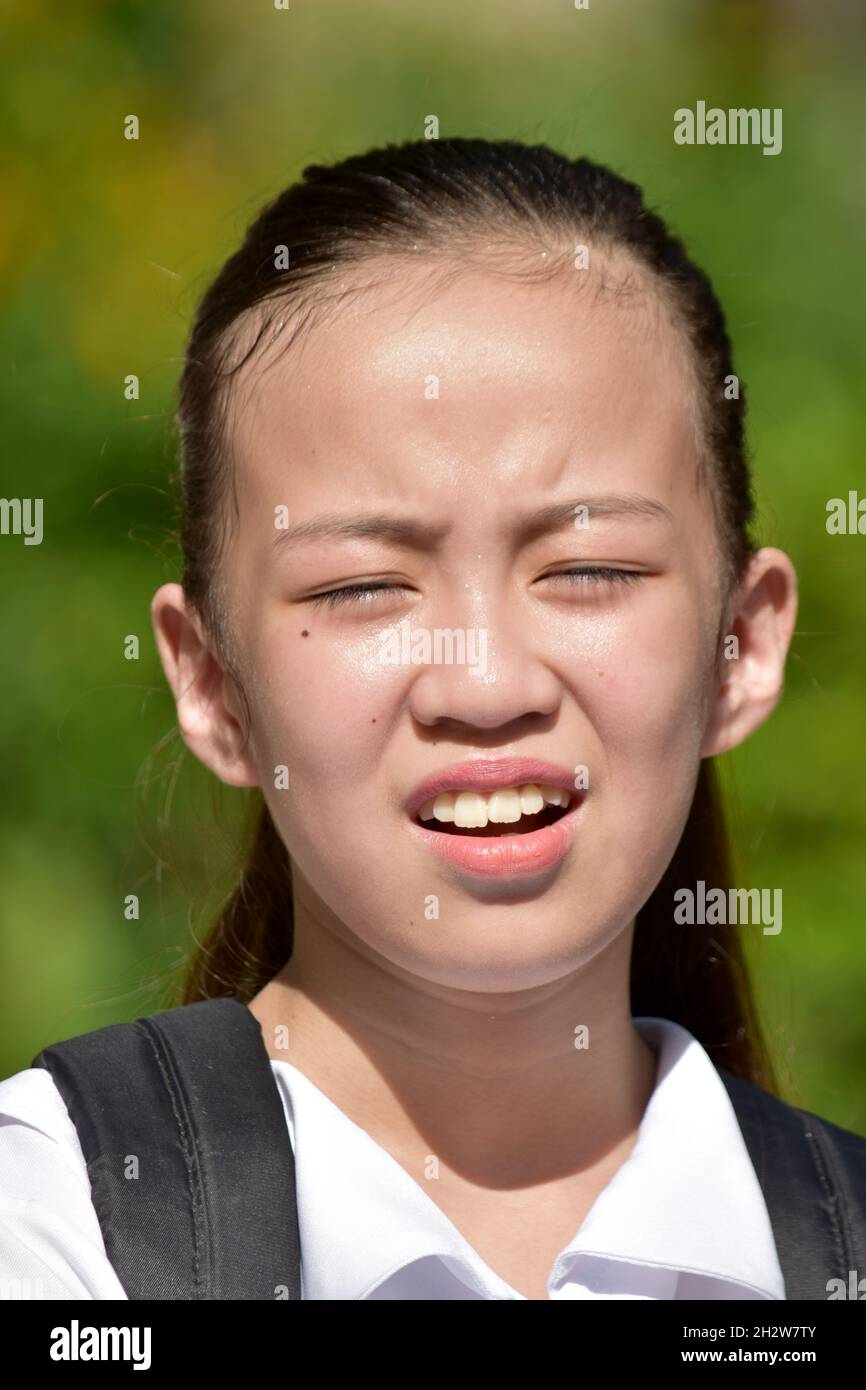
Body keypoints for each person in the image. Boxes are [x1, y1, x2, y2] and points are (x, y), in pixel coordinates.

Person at [1, 137, 862, 1302]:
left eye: (590, 566)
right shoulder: (56, 1225)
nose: (484, 679)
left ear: (740, 646)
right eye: (360, 586)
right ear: (210, 683)